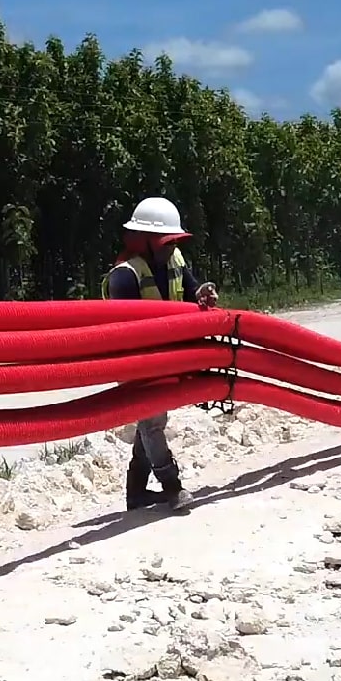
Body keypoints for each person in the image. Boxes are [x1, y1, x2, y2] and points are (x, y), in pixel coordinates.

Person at [102, 196, 219, 512]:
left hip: (168, 357)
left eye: (174, 242)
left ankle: (136, 491)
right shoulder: (125, 276)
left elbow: (193, 290)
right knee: (152, 421)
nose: (171, 248)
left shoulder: (175, 261)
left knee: (151, 418)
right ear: (145, 241)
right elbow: (125, 326)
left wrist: (203, 293)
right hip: (137, 362)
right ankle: (172, 487)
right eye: (166, 242)